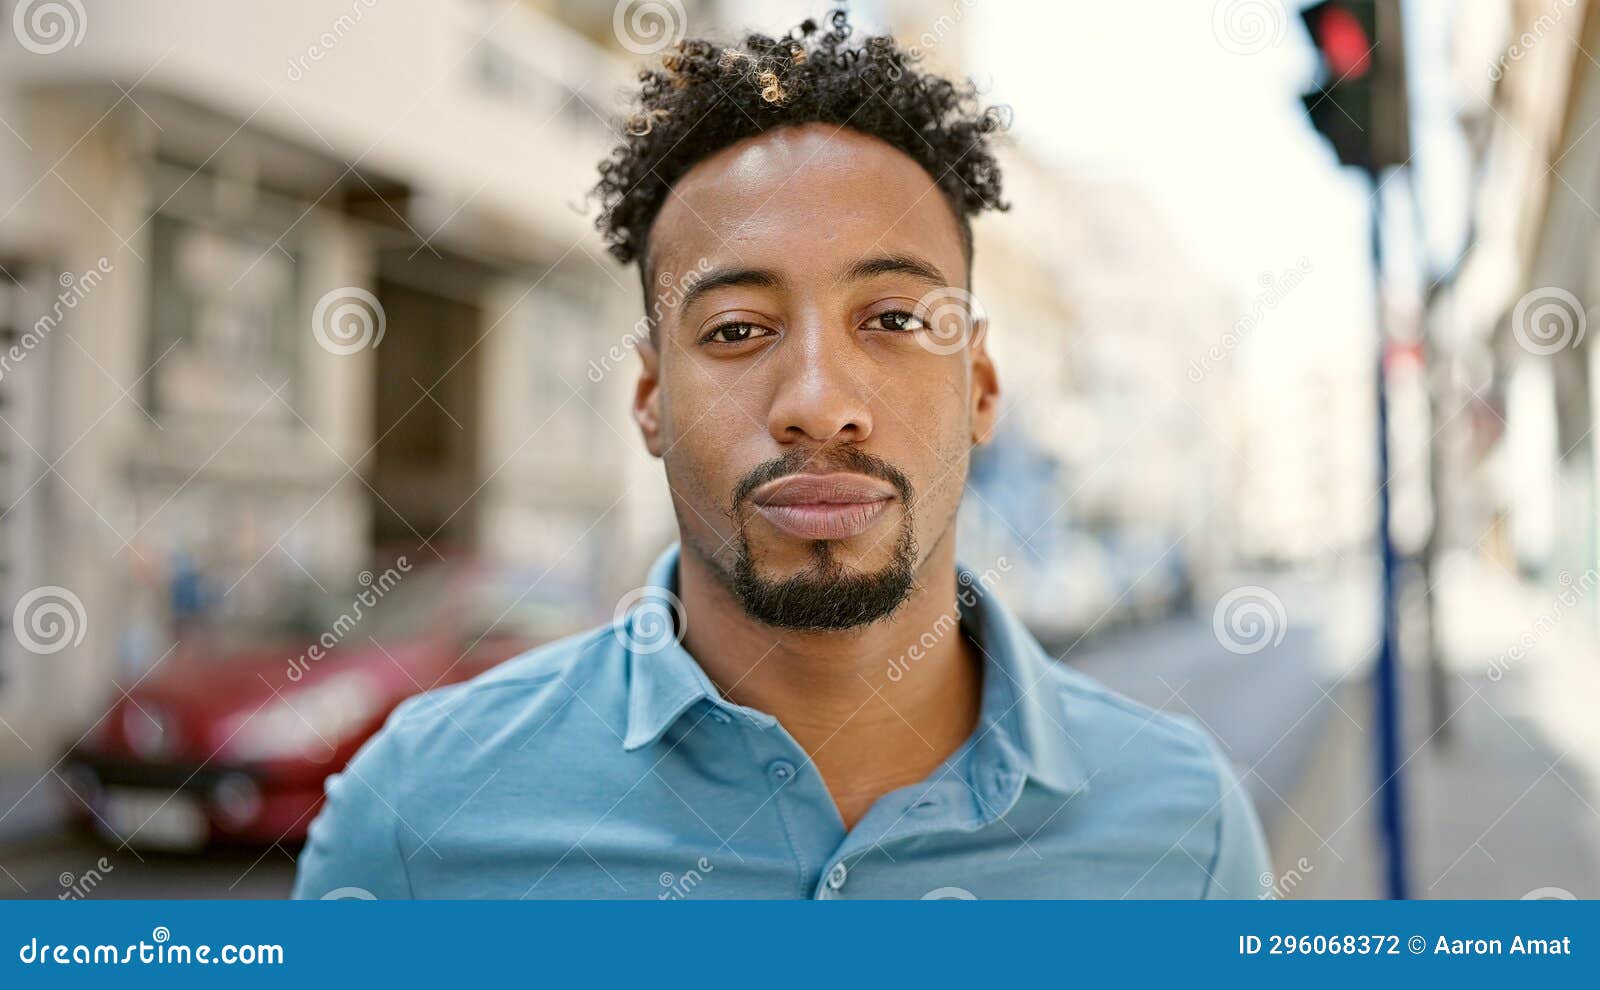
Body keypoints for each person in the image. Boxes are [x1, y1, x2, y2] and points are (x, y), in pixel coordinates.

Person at [293, 9, 1270, 900]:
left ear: (979, 388)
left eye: (893, 319)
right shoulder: (417, 813)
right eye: (735, 330)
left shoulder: (1186, 834)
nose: (817, 405)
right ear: (648, 399)